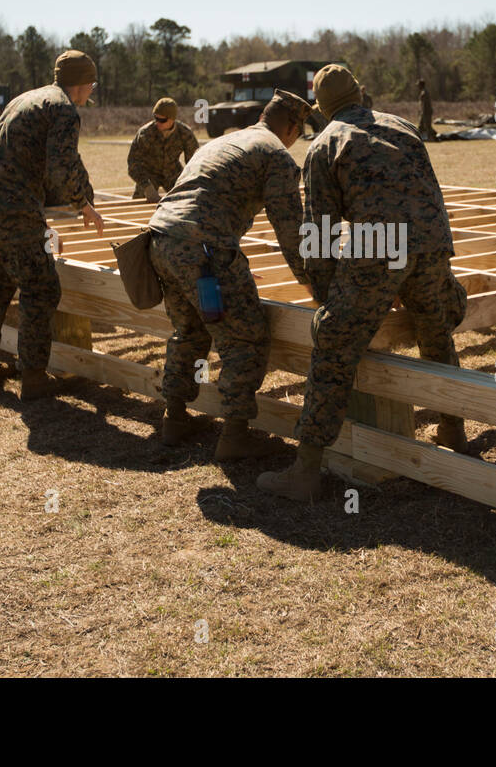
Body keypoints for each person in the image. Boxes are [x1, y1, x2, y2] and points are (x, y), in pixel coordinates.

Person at [257, 65, 468, 502]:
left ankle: (306, 469)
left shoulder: (325, 145)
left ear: (321, 109)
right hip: (432, 240)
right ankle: (453, 430)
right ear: (361, 95)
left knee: (334, 344)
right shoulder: (403, 126)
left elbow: (320, 236)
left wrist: (332, 302)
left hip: (378, 244)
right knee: (436, 331)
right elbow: (427, 192)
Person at [149, 90, 311, 460]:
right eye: (299, 132)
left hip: (160, 240)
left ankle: (173, 418)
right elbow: (290, 228)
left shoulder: (227, 140)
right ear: (291, 126)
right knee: (246, 338)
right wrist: (308, 277)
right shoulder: (276, 154)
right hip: (203, 248)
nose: (296, 140)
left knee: (189, 330)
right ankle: (234, 437)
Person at [0, 51, 104, 400]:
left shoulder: (30, 97)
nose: (91, 92)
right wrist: (82, 204)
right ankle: (34, 376)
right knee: (40, 286)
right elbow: (61, 166)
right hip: (11, 204)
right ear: (84, 83)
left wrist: (83, 194)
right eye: (92, 85)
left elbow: (68, 161)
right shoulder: (64, 109)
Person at [127, 97, 199, 201]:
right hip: (149, 175)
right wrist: (146, 185)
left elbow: (194, 163)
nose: (158, 123)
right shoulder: (145, 133)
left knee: (189, 200)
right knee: (139, 201)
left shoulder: (185, 133)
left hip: (173, 174)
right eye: (156, 118)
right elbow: (133, 163)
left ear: (172, 119)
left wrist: (189, 183)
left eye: (162, 120)